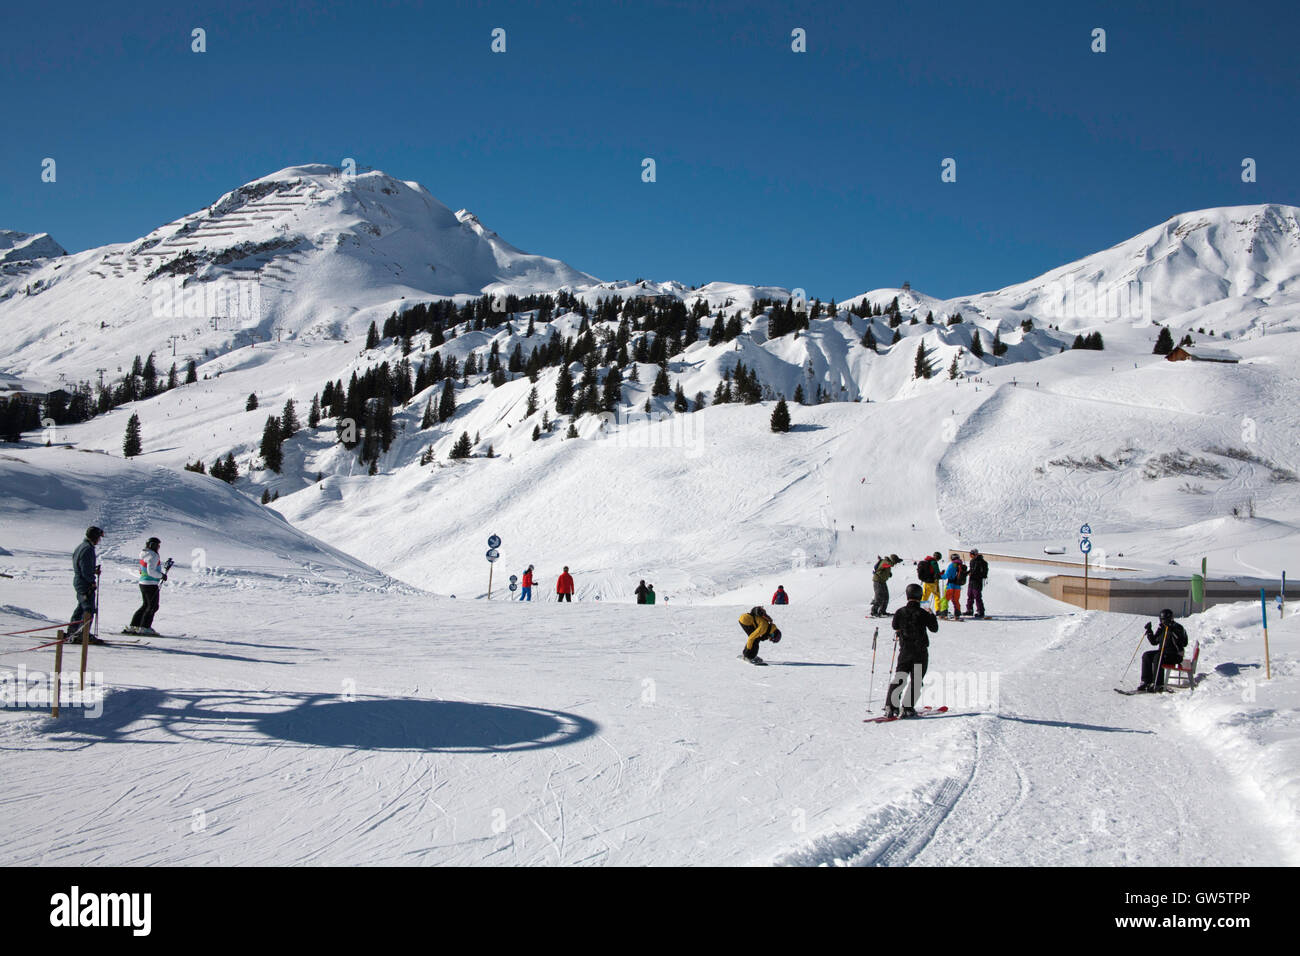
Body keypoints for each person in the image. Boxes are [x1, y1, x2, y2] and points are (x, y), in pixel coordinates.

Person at [885, 583, 938, 717]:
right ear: (920, 596)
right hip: (920, 651)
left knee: (900, 677)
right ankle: (908, 708)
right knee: (916, 680)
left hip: (905, 650)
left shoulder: (900, 611)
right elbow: (934, 628)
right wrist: (931, 615)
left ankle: (891, 707)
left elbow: (894, 625)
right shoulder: (923, 612)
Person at [126, 536, 170, 635]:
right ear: (152, 545)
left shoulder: (144, 554)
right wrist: (161, 575)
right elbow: (151, 572)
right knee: (153, 606)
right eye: (157, 545)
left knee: (146, 605)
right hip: (150, 583)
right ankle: (145, 627)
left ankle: (135, 625)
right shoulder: (153, 555)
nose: (158, 548)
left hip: (143, 583)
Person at [1138, 609, 1188, 692]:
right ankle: (1146, 681)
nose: (1162, 622)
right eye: (1161, 619)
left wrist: (1172, 631)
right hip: (1163, 653)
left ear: (1170, 619)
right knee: (1146, 655)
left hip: (1176, 655)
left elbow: (1183, 643)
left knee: (1158, 657)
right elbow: (1154, 642)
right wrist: (1149, 631)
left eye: (1164, 620)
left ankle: (1158, 684)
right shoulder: (1162, 627)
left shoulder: (1178, 627)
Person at [70, 526, 105, 644]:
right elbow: (85, 569)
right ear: (95, 537)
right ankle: (82, 634)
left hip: (79, 580)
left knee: (81, 607)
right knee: (88, 608)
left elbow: (81, 564)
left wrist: (92, 570)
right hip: (84, 582)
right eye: (99, 537)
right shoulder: (88, 549)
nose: (99, 540)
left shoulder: (81, 546)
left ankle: (73, 630)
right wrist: (92, 581)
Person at [940, 553, 966, 620]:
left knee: (945, 599)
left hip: (950, 586)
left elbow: (947, 575)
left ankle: (943, 613)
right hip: (958, 587)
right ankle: (957, 614)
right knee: (956, 600)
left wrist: (940, 576)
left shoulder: (952, 565)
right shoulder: (961, 565)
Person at [965, 549, 989, 619]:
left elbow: (982, 574)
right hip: (971, 581)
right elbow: (971, 570)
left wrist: (973, 574)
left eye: (971, 554)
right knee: (970, 596)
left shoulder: (982, 562)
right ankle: (969, 610)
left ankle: (981, 611)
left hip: (977, 582)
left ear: (975, 554)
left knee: (977, 597)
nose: (970, 555)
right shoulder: (972, 561)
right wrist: (965, 573)